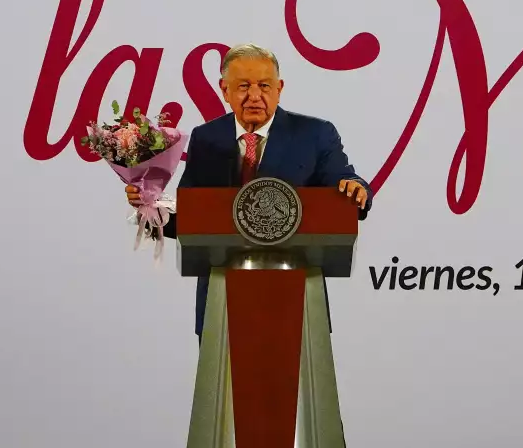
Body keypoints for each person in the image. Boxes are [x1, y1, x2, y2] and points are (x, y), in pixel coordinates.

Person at [125, 43, 372, 341]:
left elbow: (343, 180)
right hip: (222, 297)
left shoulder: (315, 134)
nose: (254, 96)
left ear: (279, 88)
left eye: (264, 86)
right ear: (224, 90)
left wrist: (356, 188)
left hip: (294, 294)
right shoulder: (206, 138)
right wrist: (151, 206)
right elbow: (193, 215)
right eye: (243, 86)